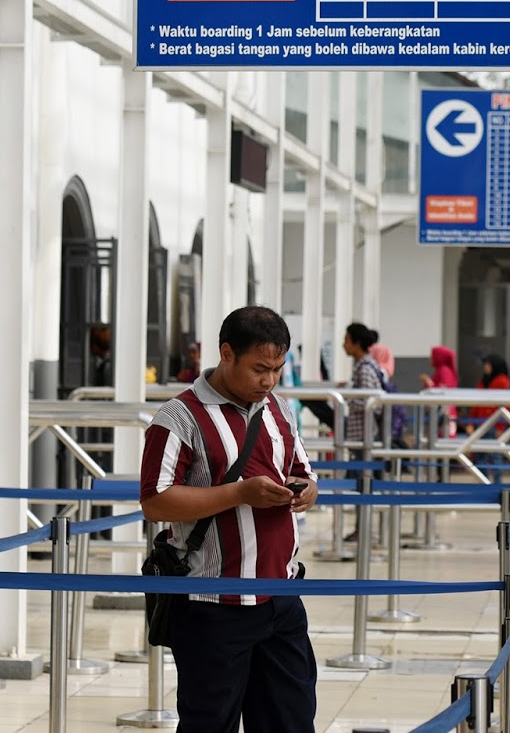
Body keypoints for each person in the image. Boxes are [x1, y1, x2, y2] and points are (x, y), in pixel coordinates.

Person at [139, 306, 319, 733]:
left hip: (281, 595)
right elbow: (156, 502)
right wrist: (239, 493)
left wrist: (307, 488)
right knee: (210, 723)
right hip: (212, 605)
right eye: (259, 368)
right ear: (226, 353)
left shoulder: (278, 410)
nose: (269, 381)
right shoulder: (177, 418)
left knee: (290, 721)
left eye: (277, 369)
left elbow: (301, 467)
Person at [341, 323, 386, 450]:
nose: (343, 345)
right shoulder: (367, 365)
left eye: (347, 341)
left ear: (357, 343)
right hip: (362, 433)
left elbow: (372, 403)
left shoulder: (365, 369)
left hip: (363, 434)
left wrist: (346, 397)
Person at [421, 345, 460, 436]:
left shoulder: (444, 371)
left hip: (445, 412)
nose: (430, 359)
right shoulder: (441, 370)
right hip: (442, 411)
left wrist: (428, 382)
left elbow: (443, 390)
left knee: (444, 437)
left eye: (432, 357)